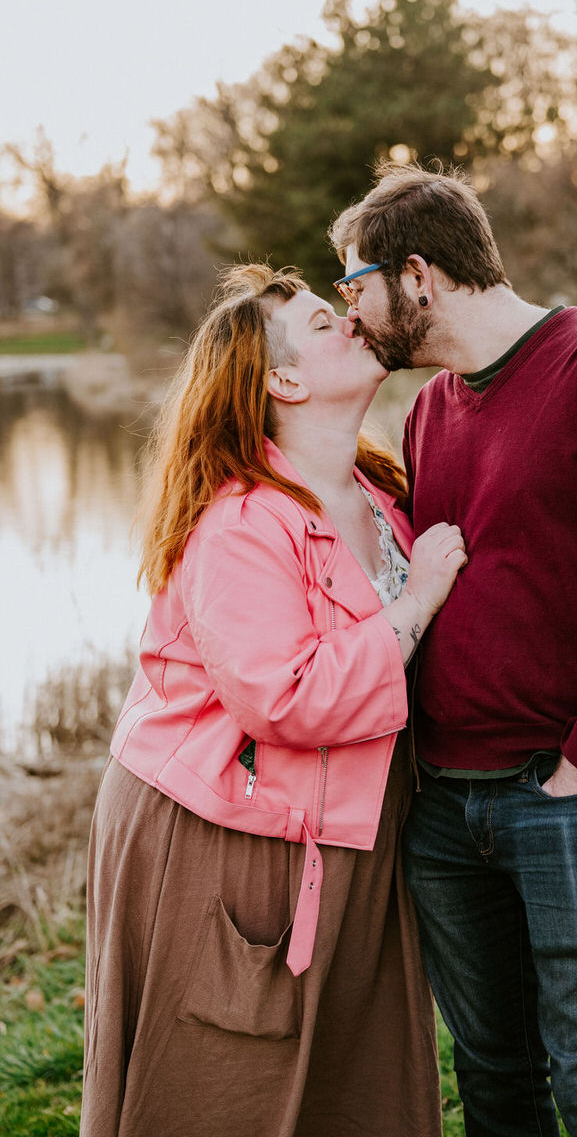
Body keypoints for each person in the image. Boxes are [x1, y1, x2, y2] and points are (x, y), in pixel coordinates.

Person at [329, 164, 577, 1137]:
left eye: (352, 285)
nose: (348, 313)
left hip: (574, 799)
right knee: (495, 1090)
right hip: (445, 817)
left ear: (415, 274)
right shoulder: (427, 412)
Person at [80, 262, 467, 1137]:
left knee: (345, 1089)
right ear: (283, 379)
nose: (352, 321)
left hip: (345, 831)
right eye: (325, 322)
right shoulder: (241, 521)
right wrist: (417, 602)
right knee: (223, 1090)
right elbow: (283, 698)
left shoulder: (377, 493)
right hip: (220, 837)